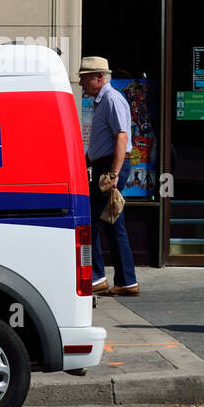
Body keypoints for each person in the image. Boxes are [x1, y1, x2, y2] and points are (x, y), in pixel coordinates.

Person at [77, 56, 139, 297]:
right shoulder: (102, 101)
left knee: (93, 219)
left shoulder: (112, 99)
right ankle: (125, 280)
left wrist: (113, 173)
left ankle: (99, 277)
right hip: (104, 165)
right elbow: (103, 141)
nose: (81, 83)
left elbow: (122, 137)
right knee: (112, 223)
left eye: (85, 78)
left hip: (110, 167)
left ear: (100, 77)